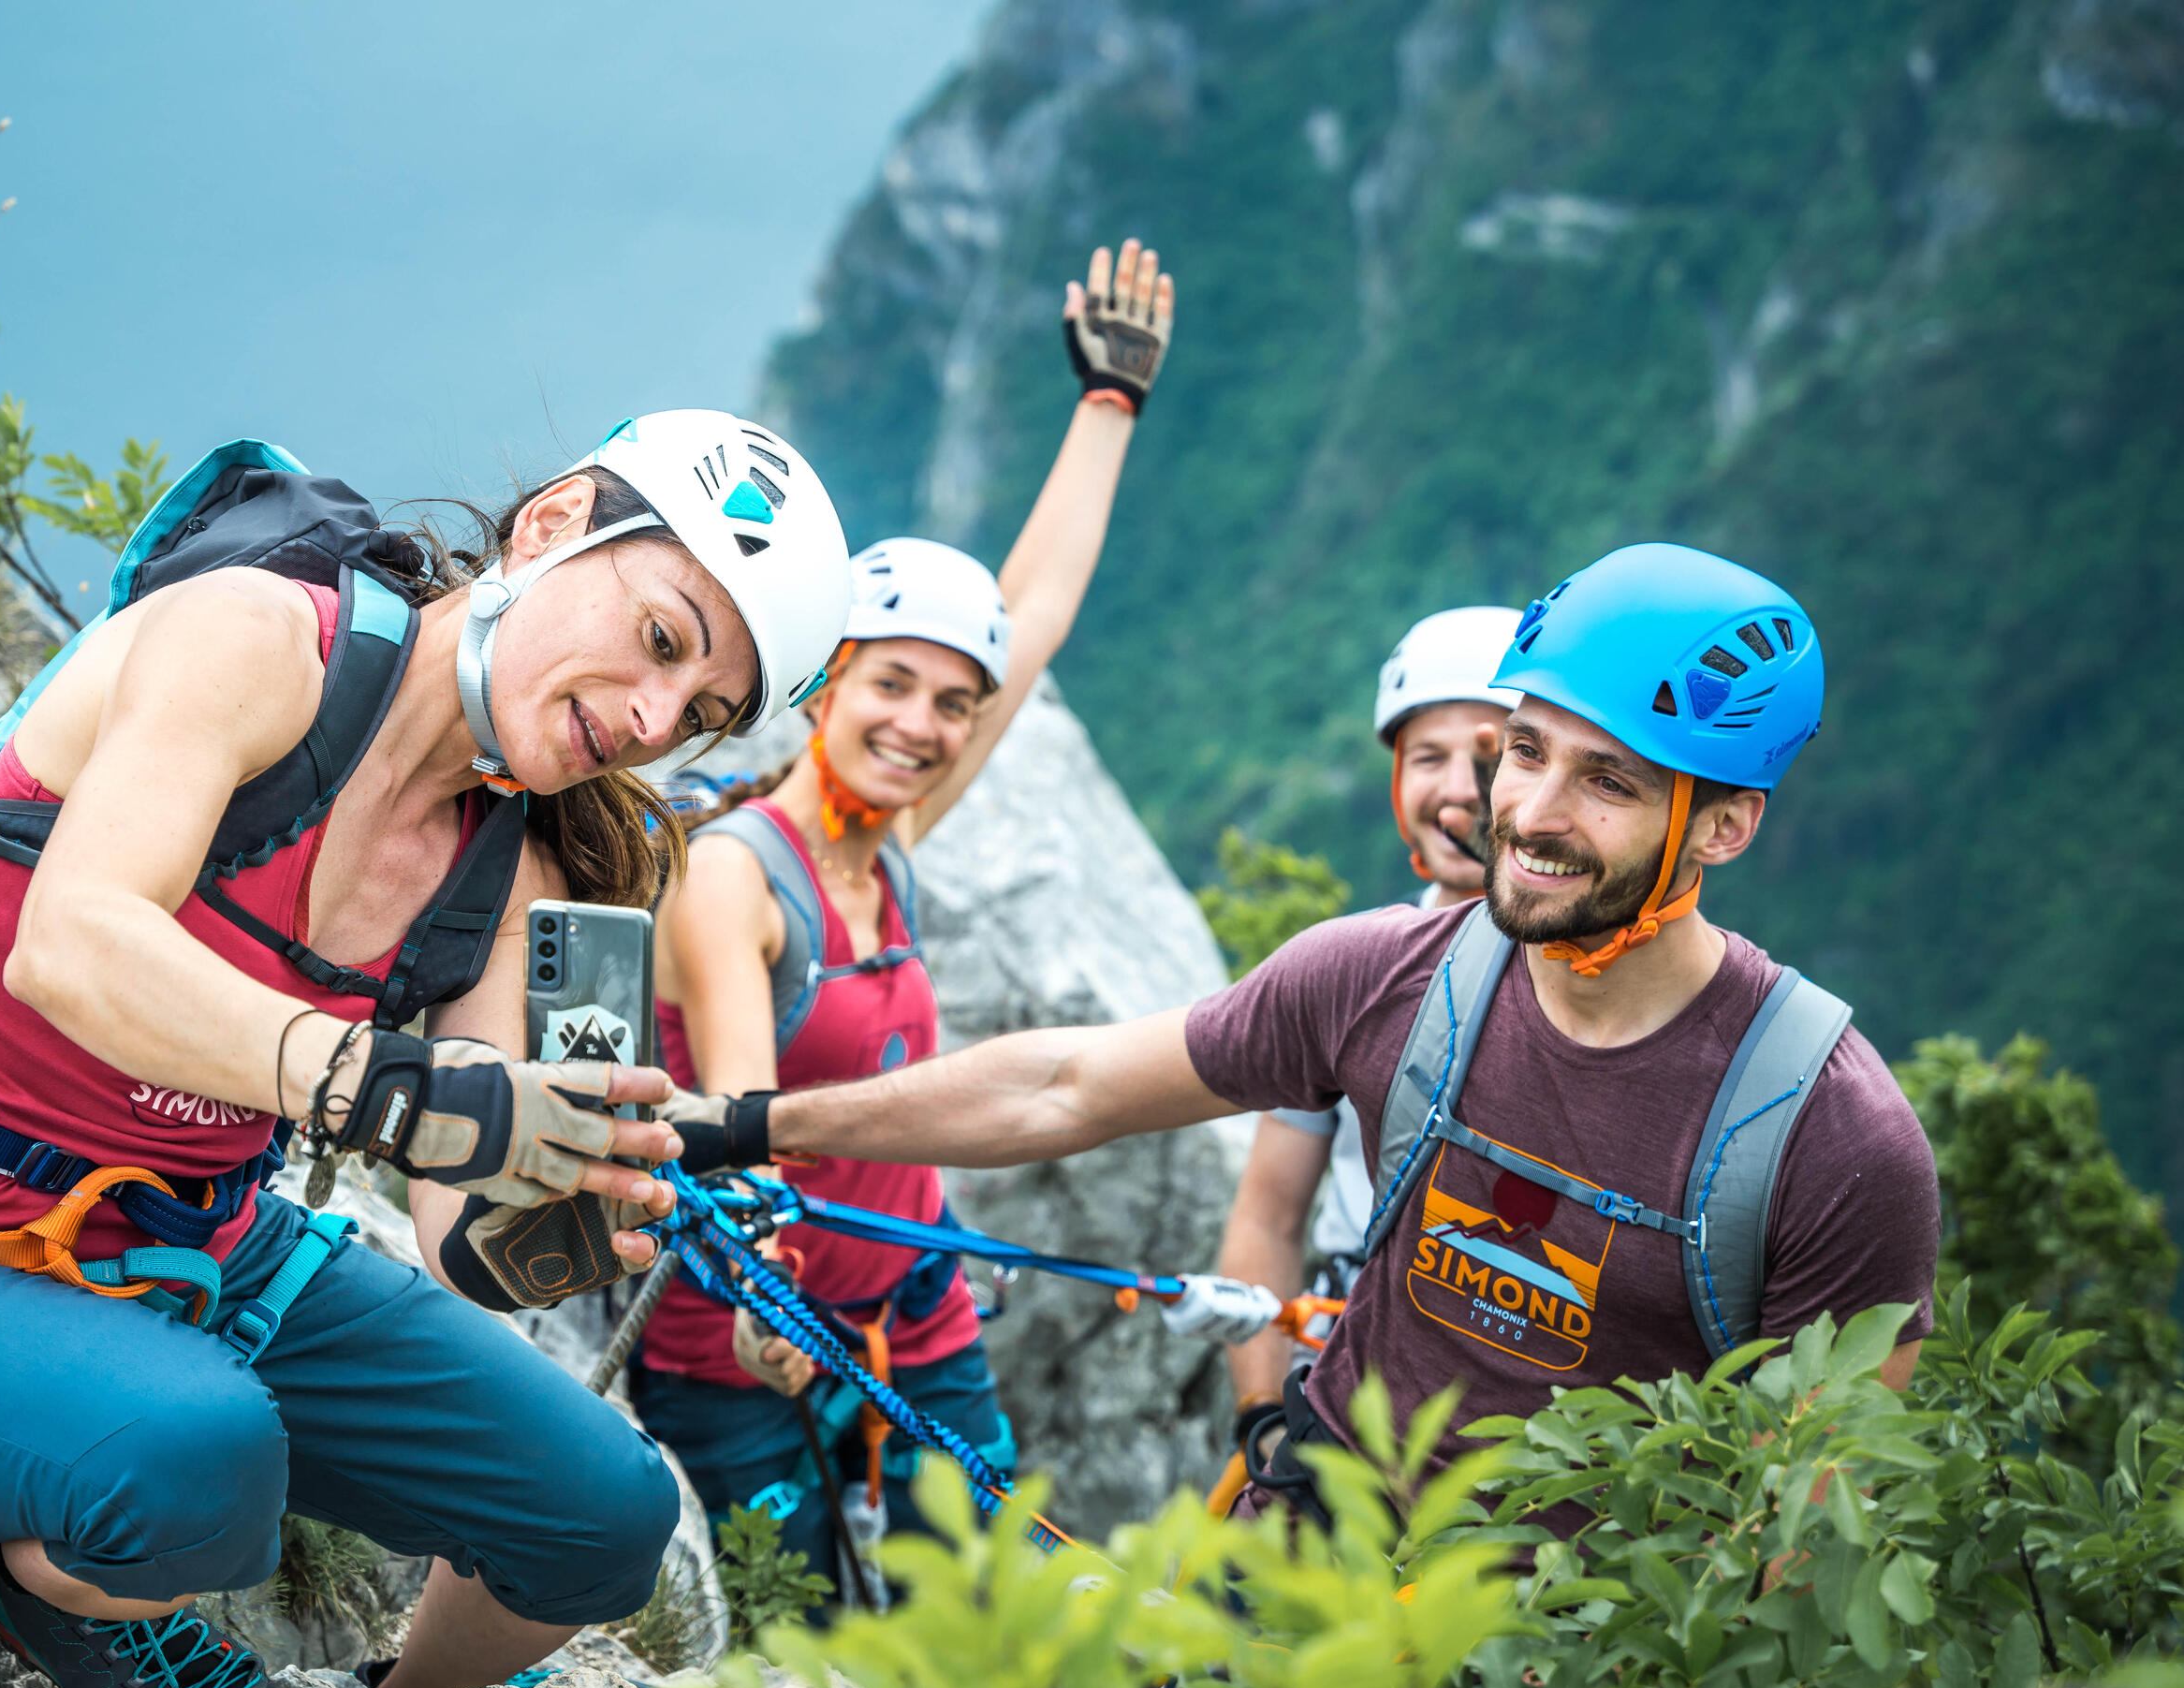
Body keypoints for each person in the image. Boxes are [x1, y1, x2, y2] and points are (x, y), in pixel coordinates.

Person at [0, 411, 851, 1688]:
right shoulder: (259, 640)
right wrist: (375, 1080)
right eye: (666, 642)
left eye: (705, 717)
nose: (656, 722)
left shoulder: (516, 867)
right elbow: (70, 942)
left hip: (194, 1255)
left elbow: (460, 1230)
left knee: (603, 1513)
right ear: (552, 529)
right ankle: (72, 1596)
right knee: (198, 1452)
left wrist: (564, 1211)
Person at [667, 543, 1940, 1530]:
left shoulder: (1826, 1134)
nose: (1528, 815)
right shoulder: (1381, 977)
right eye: (1527, 753)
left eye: (1608, 781)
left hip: (1578, 1683)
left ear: (1723, 827)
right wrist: (754, 1123)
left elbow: (1817, 1515)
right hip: (1312, 1574)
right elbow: (1067, 1088)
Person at [637, 240, 1175, 1600]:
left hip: (917, 1317)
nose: (923, 725)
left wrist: (1107, 406)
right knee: (803, 1687)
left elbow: (1032, 618)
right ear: (822, 690)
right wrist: (768, 1306)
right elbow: (739, 1119)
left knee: (989, 1644)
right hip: (746, 1349)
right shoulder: (736, 879)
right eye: (890, 686)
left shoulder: (891, 840)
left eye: (951, 702)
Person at [1215, 606, 1519, 1416]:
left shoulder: (1606, 996)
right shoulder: (1355, 979)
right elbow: (1268, 1217)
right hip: (1343, 1372)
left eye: (1491, 754)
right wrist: (1263, 1419)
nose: (1458, 788)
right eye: (1429, 757)